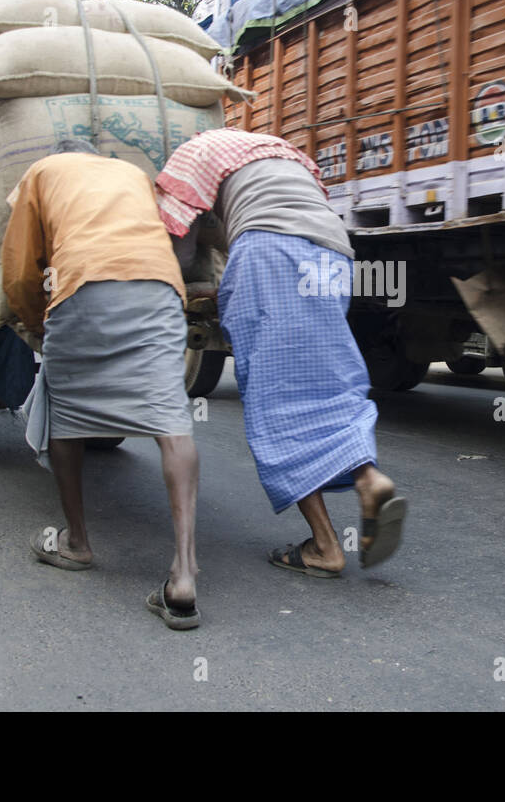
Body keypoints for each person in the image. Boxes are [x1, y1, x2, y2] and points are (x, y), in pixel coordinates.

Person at [156, 127, 406, 579]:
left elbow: (181, 245)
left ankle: (326, 547)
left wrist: (175, 289)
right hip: (334, 251)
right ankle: (369, 480)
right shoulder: (278, 151)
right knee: (330, 377)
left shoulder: (190, 156)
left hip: (271, 250)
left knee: (276, 398)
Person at [2, 138, 203, 630]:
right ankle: (184, 573)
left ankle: (76, 542)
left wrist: (34, 322)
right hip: (160, 287)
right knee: (171, 420)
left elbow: (20, 263)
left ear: (60, 153)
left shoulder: (42, 170)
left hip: (82, 282)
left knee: (67, 415)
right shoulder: (132, 174)